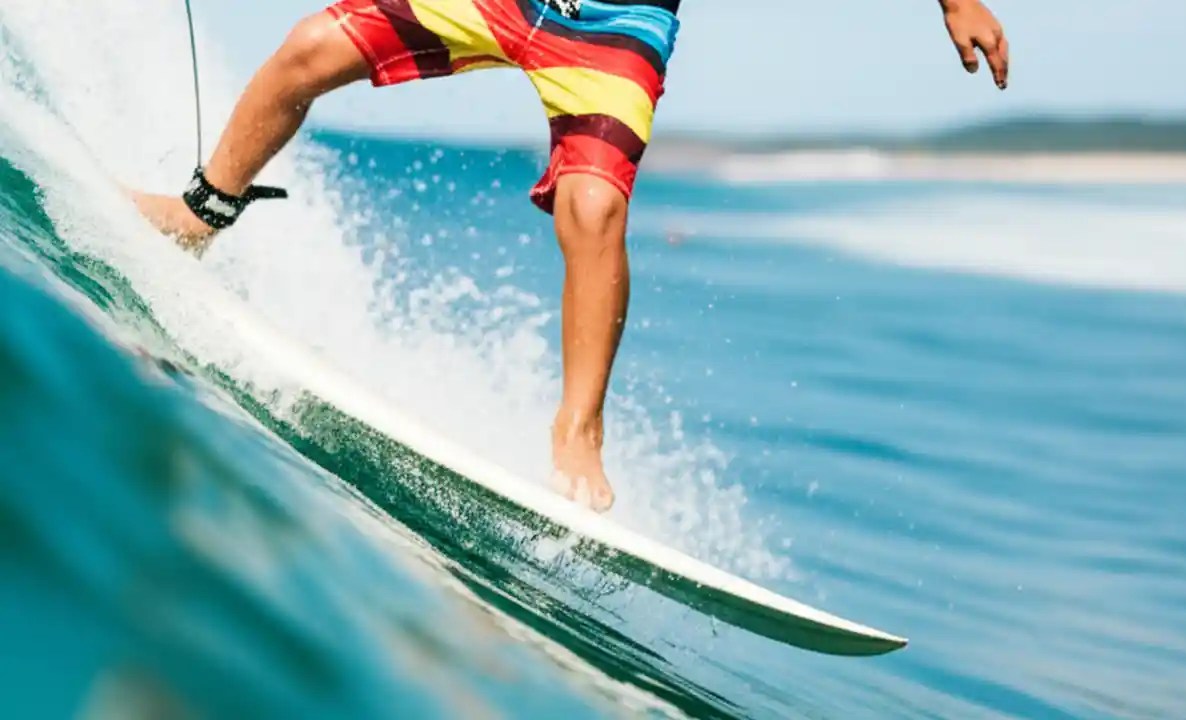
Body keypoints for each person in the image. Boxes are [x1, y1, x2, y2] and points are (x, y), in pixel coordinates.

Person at [133, 0, 1010, 512]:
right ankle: (200, 213)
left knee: (594, 206)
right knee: (310, 50)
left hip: (619, 28)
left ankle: (579, 430)